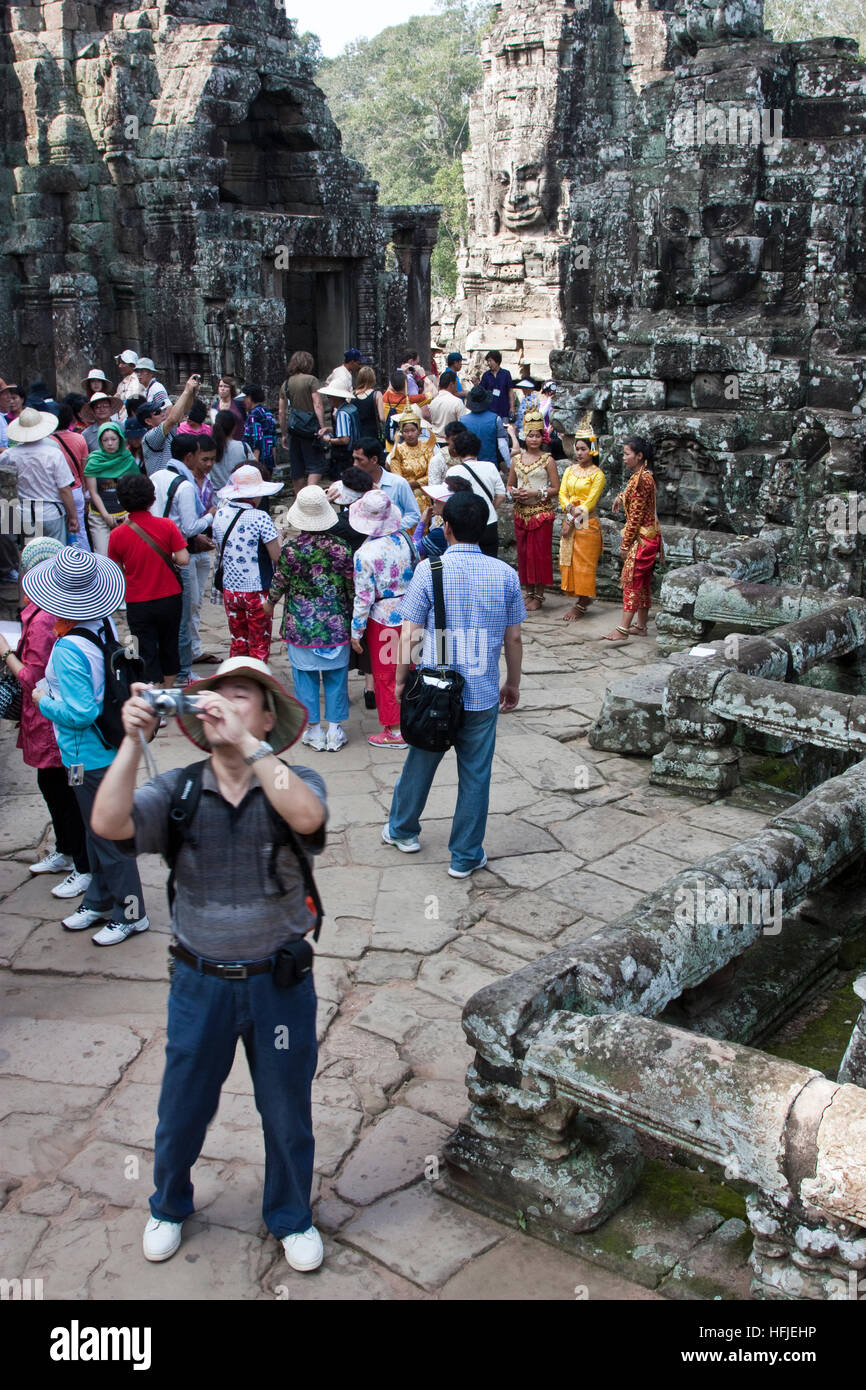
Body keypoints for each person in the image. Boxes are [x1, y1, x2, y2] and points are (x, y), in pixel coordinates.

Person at [89, 657, 327, 1272]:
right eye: (216, 695)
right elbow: (107, 822)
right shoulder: (180, 790)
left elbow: (308, 817)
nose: (225, 703)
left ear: (268, 716)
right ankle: (168, 1204)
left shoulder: (291, 778)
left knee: (286, 1110)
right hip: (199, 984)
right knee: (183, 1108)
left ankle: (291, 1215)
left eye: (243, 696)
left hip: (279, 983)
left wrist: (249, 748)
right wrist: (130, 741)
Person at [384, 491, 526, 875]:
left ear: (446, 528)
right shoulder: (506, 575)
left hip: (434, 691)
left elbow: (410, 634)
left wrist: (400, 681)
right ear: (483, 530)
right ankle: (464, 855)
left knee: (421, 760)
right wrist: (512, 683)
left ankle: (403, 830)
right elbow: (513, 639)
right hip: (480, 693)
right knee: (476, 773)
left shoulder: (429, 571)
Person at [22, 546, 149, 946]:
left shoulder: (67, 648)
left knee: (108, 837)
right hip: (106, 749)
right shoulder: (101, 625)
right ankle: (98, 901)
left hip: (85, 756)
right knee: (98, 834)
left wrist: (43, 700)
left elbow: (79, 713)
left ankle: (131, 914)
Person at [0, 538, 90, 900]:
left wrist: (7, 654)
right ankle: (67, 851)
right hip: (48, 719)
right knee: (53, 786)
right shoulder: (51, 611)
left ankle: (82, 864)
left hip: (53, 720)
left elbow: (33, 677)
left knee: (65, 791)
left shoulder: (43, 620)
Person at [264, 487, 353, 752]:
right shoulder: (342, 548)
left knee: (305, 678)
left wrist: (269, 604)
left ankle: (313, 729)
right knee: (337, 676)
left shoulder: (291, 550)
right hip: (336, 624)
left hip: (300, 627)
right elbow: (351, 587)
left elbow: (279, 583)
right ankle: (335, 729)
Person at [349, 491, 415, 749]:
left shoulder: (364, 554)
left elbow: (363, 597)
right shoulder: (405, 540)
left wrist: (356, 631)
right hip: (412, 612)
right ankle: (411, 721)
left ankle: (394, 730)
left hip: (383, 617)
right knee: (410, 668)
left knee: (386, 674)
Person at [108, 474, 189, 687]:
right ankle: (168, 693)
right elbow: (183, 559)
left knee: (145, 648)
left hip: (137, 600)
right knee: (170, 644)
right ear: (152, 499)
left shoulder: (117, 535)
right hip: (169, 596)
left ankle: (153, 693)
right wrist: (167, 555)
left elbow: (116, 571)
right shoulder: (167, 525)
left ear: (121, 502)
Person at [151, 436, 218, 681]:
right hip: (180, 554)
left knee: (165, 613)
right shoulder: (185, 486)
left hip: (157, 552)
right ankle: (182, 671)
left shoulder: (156, 476)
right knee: (183, 615)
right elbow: (190, 527)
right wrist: (210, 516)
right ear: (189, 456)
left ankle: (163, 666)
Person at [212, 465, 282, 662]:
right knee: (259, 642)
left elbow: (220, 549)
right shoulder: (261, 517)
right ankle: (256, 681)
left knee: (238, 640)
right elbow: (276, 555)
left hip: (230, 589)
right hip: (257, 590)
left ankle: (237, 679)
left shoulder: (220, 514)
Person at [605, 435, 663, 642]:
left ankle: (623, 629)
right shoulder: (644, 476)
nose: (623, 458)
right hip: (650, 537)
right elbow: (632, 495)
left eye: (626, 454)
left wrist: (625, 545)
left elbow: (634, 519)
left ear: (639, 456)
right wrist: (620, 497)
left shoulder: (641, 481)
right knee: (644, 583)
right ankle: (640, 626)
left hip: (642, 541)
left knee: (631, 581)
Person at [506, 410, 560, 610]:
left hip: (541, 512)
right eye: (530, 435)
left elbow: (556, 489)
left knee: (540, 554)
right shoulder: (516, 460)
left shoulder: (548, 459)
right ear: (525, 436)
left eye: (537, 435)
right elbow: (509, 485)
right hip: (521, 511)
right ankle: (527, 592)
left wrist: (535, 493)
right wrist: (515, 493)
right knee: (524, 553)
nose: (534, 439)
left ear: (542, 437)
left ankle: (539, 595)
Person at [0, 407, 78, 543]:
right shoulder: (54, 454)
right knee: (55, 557)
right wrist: (73, 517)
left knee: (31, 558)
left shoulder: (10, 455)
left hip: (24, 514)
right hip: (51, 513)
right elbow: (64, 489)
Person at [559, 424, 606, 622]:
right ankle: (580, 598)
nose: (579, 453)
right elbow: (562, 494)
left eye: (583, 449)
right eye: (577, 449)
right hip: (570, 519)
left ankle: (582, 602)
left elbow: (590, 503)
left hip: (586, 523)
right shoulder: (570, 470)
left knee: (584, 565)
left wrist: (573, 517)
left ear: (592, 450)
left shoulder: (598, 475)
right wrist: (569, 509)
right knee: (568, 562)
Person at [83, 421, 142, 556]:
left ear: (120, 440)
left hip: (125, 515)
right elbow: (93, 492)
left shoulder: (128, 459)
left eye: (113, 439)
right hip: (100, 516)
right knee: (103, 555)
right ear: (100, 441)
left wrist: (130, 512)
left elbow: (136, 488)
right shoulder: (94, 461)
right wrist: (105, 515)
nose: (110, 443)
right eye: (105, 440)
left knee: (128, 555)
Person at [446, 429, 505, 557]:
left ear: (456, 451)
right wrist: (487, 509)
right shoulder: (490, 466)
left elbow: (450, 499)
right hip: (488, 522)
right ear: (478, 448)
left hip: (463, 526)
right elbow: (501, 495)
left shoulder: (453, 471)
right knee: (490, 562)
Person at [350, 438, 421, 528]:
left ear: (374, 460)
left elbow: (414, 515)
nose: (355, 464)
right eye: (354, 459)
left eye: (359, 460)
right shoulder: (354, 484)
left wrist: (389, 527)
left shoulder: (398, 483)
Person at [280, 352, 326, 488]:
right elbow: (317, 404)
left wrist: (283, 434)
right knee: (316, 466)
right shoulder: (311, 380)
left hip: (294, 429)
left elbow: (281, 412)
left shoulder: (286, 384)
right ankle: (309, 496)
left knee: (297, 467)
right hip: (310, 427)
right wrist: (322, 426)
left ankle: (299, 499)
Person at [140, 375, 201, 477]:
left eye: (162, 409)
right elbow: (172, 419)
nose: (163, 413)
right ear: (148, 421)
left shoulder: (167, 431)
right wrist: (186, 390)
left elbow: (184, 409)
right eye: (157, 412)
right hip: (161, 486)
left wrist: (192, 392)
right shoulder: (149, 437)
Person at [52, 405, 92, 552]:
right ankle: (86, 565)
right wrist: (84, 490)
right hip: (76, 489)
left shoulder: (48, 441)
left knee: (60, 534)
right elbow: (84, 469)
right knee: (80, 532)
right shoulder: (79, 438)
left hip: (54, 493)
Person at [388, 406, 436, 512]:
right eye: (406, 431)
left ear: (418, 431)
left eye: (412, 430)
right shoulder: (398, 451)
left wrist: (416, 483)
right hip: (405, 496)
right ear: (401, 432)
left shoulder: (426, 448)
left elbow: (432, 473)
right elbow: (397, 478)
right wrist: (407, 485)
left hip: (424, 496)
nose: (409, 434)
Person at [461, 385, 511, 471]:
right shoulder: (495, 419)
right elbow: (502, 445)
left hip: (469, 467)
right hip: (490, 465)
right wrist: (509, 464)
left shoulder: (462, 421)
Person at [211, 409, 253, 493]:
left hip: (216, 499)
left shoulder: (209, 448)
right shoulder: (242, 447)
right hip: (238, 495)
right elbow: (254, 470)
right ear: (234, 428)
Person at [242, 384, 278, 475]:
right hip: (269, 459)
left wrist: (255, 464)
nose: (244, 401)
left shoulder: (253, 415)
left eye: (245, 398)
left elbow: (257, 439)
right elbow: (273, 439)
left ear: (249, 397)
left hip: (259, 460)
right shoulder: (267, 413)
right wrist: (274, 461)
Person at [428, 371, 465, 443]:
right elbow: (462, 425)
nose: (456, 388)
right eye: (456, 384)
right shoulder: (457, 402)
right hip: (451, 443)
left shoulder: (433, 401)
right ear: (451, 384)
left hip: (435, 442)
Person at [480, 349, 515, 422]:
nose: (489, 363)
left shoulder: (506, 374)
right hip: (489, 410)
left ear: (497, 361)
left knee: (503, 431)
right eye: (488, 361)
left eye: (490, 361)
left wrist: (512, 407)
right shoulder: (486, 375)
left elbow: (510, 391)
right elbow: (481, 391)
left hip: (503, 409)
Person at [429, 419, 466, 487]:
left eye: (461, 439)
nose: (458, 443)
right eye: (454, 440)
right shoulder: (437, 460)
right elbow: (434, 487)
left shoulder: (468, 456)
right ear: (446, 439)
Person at [351, 365, 385, 440]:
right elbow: (382, 418)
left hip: (356, 434)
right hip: (372, 434)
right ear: (373, 379)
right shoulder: (377, 394)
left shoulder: (351, 395)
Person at [114, 352, 142, 418]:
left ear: (132, 365)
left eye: (123, 363)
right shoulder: (121, 384)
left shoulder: (137, 381)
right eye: (119, 363)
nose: (120, 366)